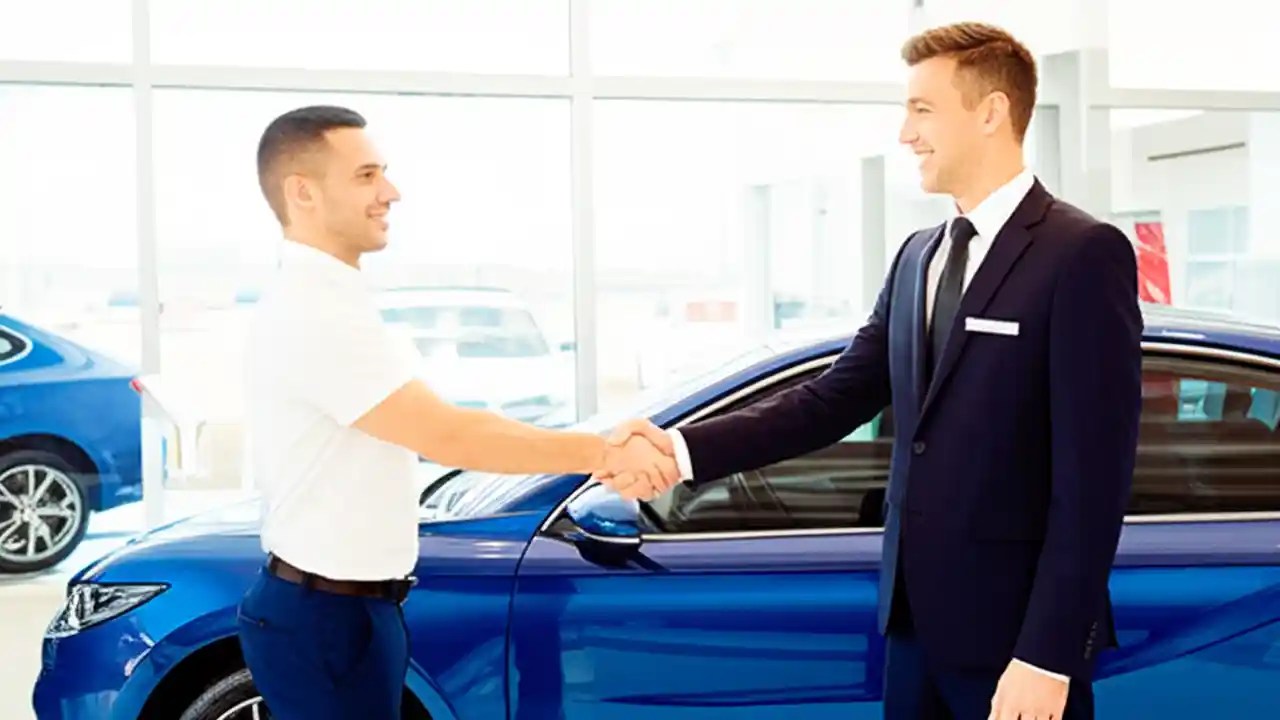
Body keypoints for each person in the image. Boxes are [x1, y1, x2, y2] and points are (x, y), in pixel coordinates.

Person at [600, 22, 1141, 720]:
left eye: (922, 109)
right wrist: (679, 448)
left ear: (991, 112)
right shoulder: (919, 254)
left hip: (1015, 641)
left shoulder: (1082, 253)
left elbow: (1093, 481)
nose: (905, 133)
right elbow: (834, 397)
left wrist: (1048, 654)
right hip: (914, 627)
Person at [236, 105, 677, 720]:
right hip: (324, 617)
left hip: (349, 610)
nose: (390, 192)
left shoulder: (334, 298)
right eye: (366, 176)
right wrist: (603, 453)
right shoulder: (315, 310)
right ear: (303, 192)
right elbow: (447, 433)